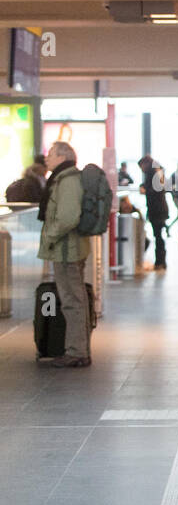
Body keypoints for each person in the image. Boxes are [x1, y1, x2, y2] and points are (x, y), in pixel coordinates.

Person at [37, 141, 92, 368]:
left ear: (62, 156)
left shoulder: (68, 181)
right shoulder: (65, 178)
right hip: (67, 248)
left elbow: (68, 217)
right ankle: (79, 349)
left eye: (50, 154)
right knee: (74, 299)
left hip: (66, 250)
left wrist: (49, 235)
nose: (46, 158)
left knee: (72, 301)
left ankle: (77, 351)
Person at [138, 155, 170, 271]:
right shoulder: (158, 171)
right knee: (159, 236)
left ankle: (160, 262)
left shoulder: (153, 173)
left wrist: (145, 190)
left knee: (158, 237)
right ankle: (160, 262)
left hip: (156, 210)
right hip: (160, 209)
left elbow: (154, 190)